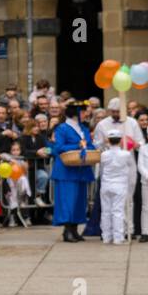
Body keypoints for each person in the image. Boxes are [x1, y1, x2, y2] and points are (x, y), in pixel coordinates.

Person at [49, 99, 95, 242]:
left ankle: (75, 229)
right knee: (67, 200)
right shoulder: (62, 128)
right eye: (82, 111)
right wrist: (77, 145)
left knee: (79, 201)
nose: (85, 114)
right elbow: (58, 148)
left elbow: (90, 146)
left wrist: (90, 148)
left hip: (81, 168)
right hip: (66, 170)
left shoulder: (84, 129)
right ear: (75, 113)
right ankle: (67, 230)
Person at [99, 128, 134, 244]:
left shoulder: (104, 154)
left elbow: (102, 169)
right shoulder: (126, 154)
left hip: (106, 184)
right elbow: (129, 168)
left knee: (106, 211)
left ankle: (106, 236)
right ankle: (118, 238)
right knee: (118, 211)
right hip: (119, 184)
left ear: (108, 140)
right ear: (120, 140)